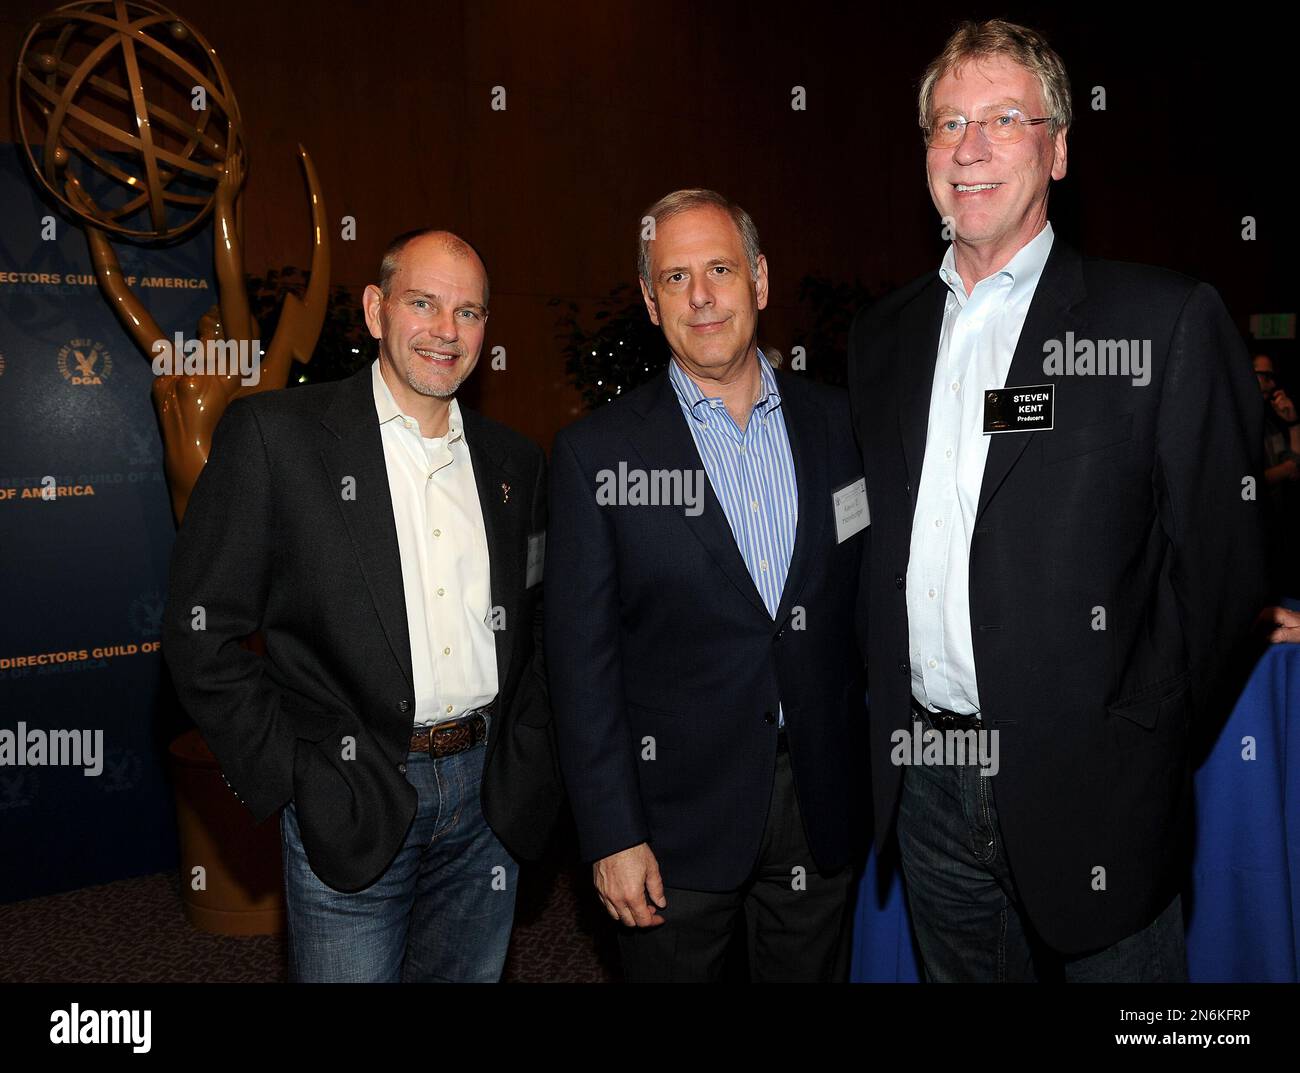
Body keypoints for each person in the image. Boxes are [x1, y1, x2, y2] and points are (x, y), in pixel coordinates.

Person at [848, 19, 1269, 981]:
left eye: (1004, 117)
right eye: (947, 123)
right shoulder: (884, 338)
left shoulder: (1159, 321)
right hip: (929, 786)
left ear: (1060, 148)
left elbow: (1221, 565)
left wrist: (1142, 735)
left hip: (1100, 794)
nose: (971, 147)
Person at [162, 228, 562, 982]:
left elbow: (540, 625)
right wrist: (292, 774)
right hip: (351, 790)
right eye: (424, 303)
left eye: (469, 312)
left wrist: (530, 749)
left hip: (491, 801)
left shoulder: (517, 462)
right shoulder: (276, 438)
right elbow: (199, 633)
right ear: (377, 310)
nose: (447, 331)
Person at [546, 189, 869, 981]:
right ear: (653, 304)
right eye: (676, 277)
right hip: (671, 821)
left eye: (720, 268)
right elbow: (579, 666)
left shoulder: (845, 426)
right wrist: (611, 833)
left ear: (759, 279)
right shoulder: (596, 455)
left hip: (819, 803)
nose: (701, 295)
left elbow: (867, 607)